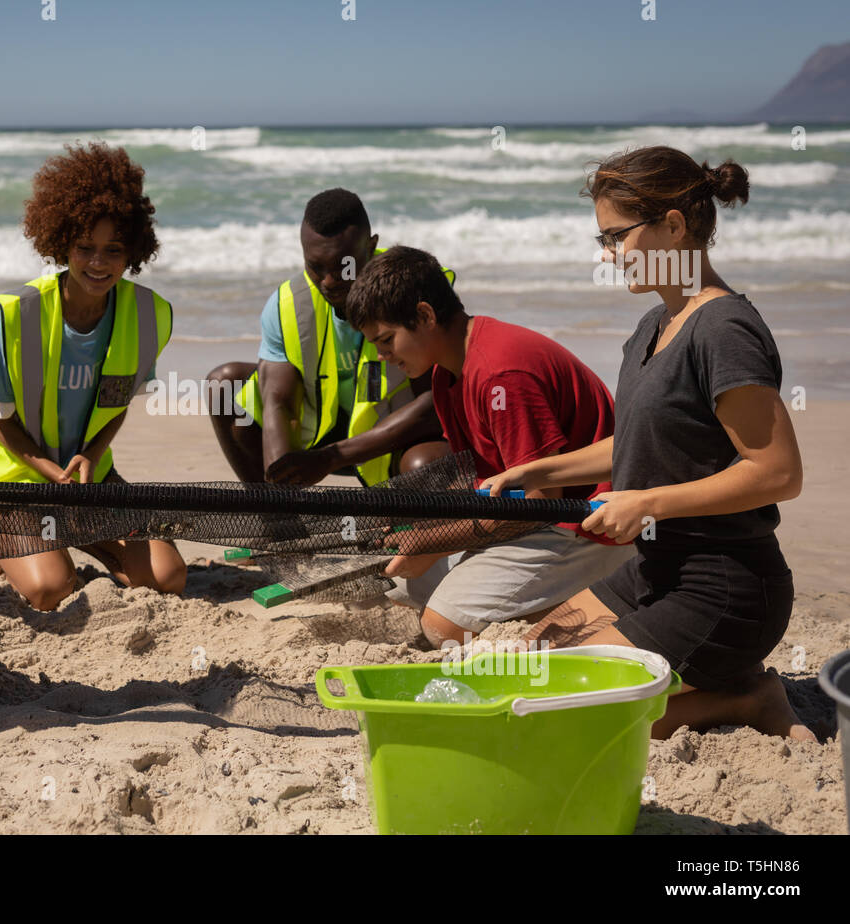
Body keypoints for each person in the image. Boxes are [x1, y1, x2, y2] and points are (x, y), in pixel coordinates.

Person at [484, 146, 812, 740]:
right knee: (530, 654)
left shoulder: (724, 329)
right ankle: (710, 683)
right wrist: (537, 472)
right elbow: (637, 440)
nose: (608, 255)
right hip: (655, 571)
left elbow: (778, 473)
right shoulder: (655, 324)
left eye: (616, 237)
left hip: (726, 588)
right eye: (601, 241)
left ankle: (746, 698)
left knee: (552, 711)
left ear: (675, 225)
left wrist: (648, 503)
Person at [346, 246, 635, 647]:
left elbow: (539, 499)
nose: (382, 356)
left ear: (426, 316)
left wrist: (433, 543)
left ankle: (615, 593)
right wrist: (419, 524)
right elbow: (485, 480)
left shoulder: (501, 371)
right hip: (536, 512)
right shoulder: (447, 373)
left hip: (586, 521)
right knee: (398, 591)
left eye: (387, 340)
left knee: (445, 629)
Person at [0, 143, 186, 611]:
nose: (98, 263)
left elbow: (117, 401)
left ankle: (75, 534)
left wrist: (91, 456)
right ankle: (15, 538)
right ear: (61, 242)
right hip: (15, 475)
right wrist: (50, 475)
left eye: (113, 249)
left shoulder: (149, 315)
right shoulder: (15, 315)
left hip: (88, 476)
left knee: (166, 578)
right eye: (85, 248)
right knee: (50, 589)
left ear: (134, 251)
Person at [208, 189, 447, 486]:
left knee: (425, 466)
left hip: (396, 433)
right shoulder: (288, 305)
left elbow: (437, 404)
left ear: (371, 247)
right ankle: (275, 521)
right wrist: (282, 487)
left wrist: (334, 456)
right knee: (225, 385)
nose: (328, 282)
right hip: (322, 436)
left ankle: (398, 516)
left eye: (342, 267)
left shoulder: (414, 285)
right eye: (316, 268)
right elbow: (277, 402)